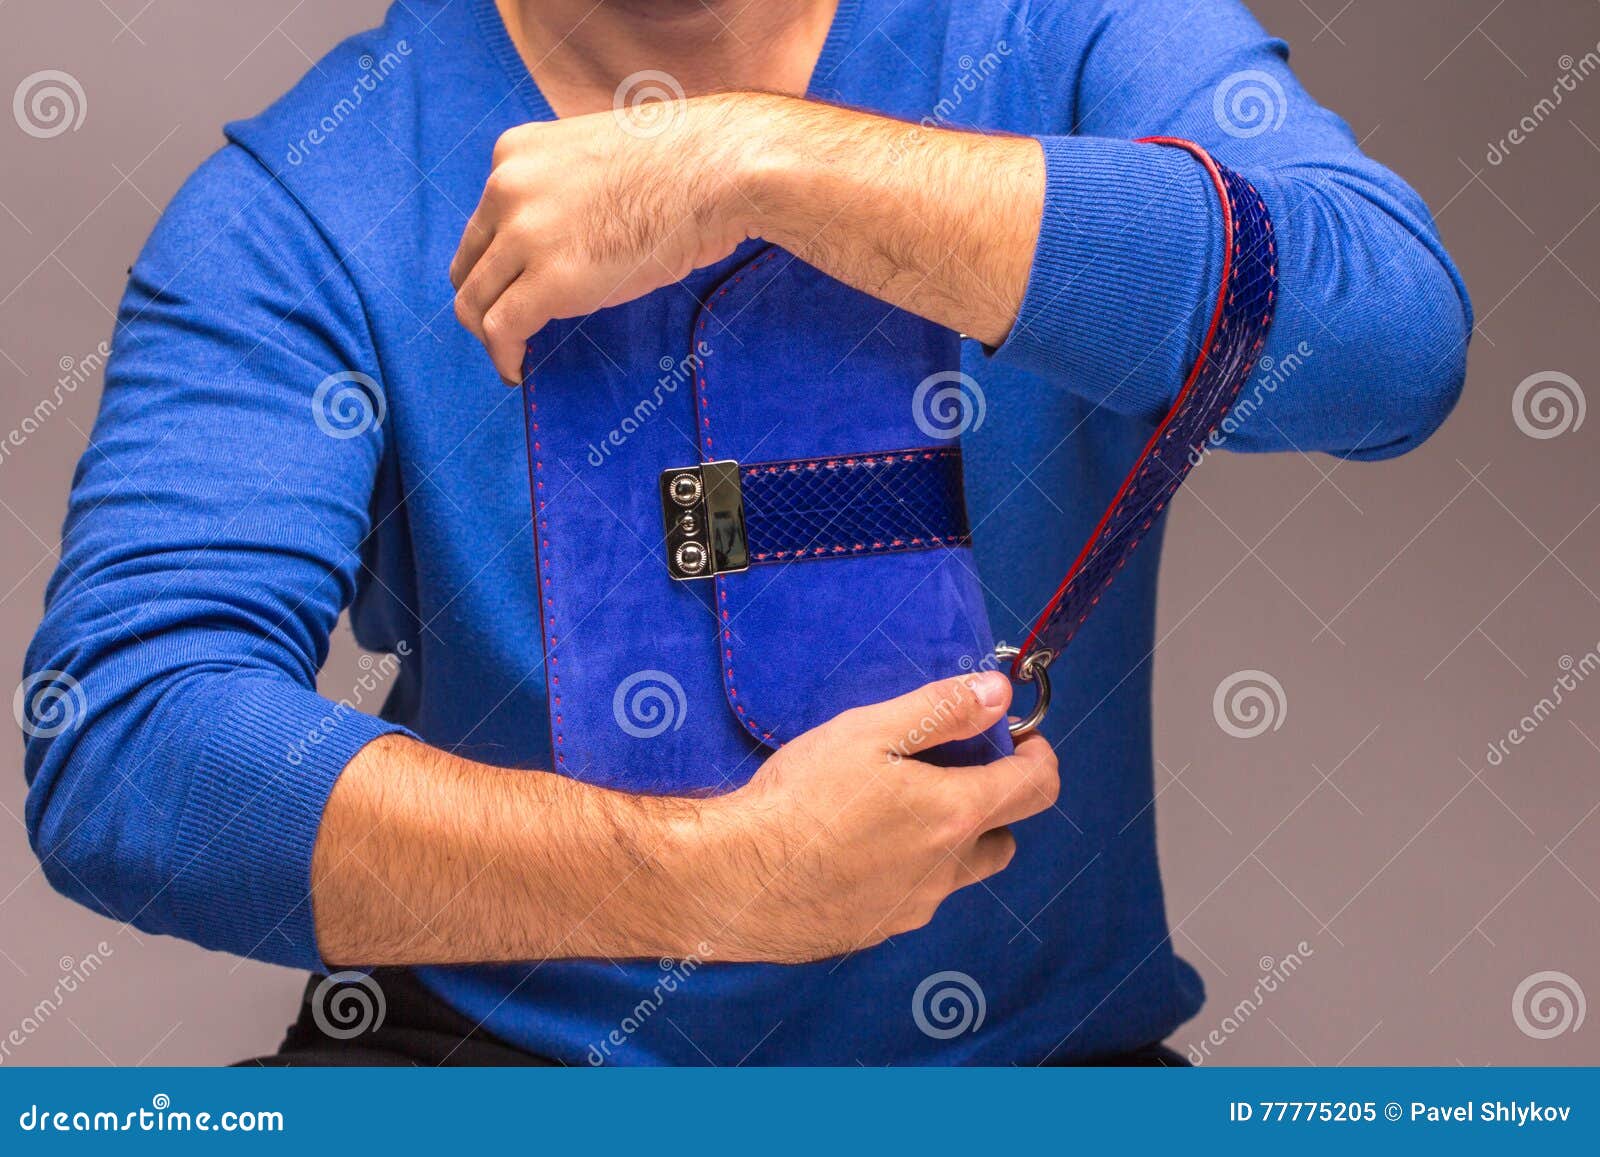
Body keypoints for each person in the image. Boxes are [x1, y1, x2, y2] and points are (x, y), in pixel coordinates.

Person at [21, 0, 1470, 1066]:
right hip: (502, 1072)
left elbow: (1392, 338)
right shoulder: (309, 197)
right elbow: (132, 748)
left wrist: (759, 165)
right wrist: (707, 881)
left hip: (1034, 1077)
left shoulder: (1062, 32)